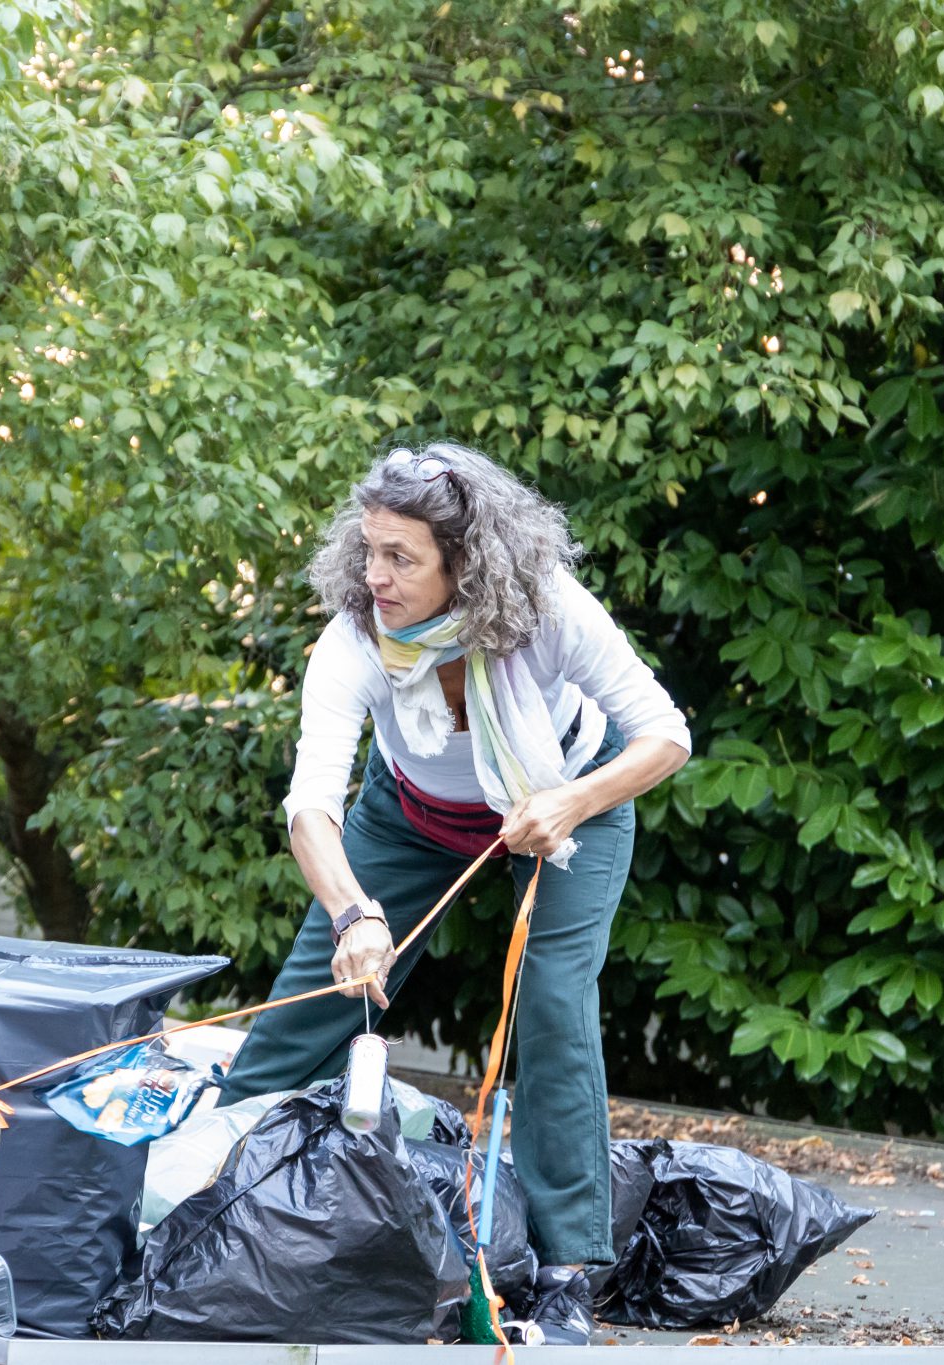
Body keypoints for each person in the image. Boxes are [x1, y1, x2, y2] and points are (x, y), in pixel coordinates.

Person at [218, 440, 691, 1338]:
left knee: (551, 1003)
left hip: (567, 798)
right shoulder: (355, 634)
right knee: (318, 995)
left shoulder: (551, 609)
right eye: (368, 549)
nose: (375, 574)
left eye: (401, 556)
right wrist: (354, 913)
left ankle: (567, 1271)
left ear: (464, 563)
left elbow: (666, 736)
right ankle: (210, 1199)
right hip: (411, 816)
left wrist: (572, 800)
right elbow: (311, 807)